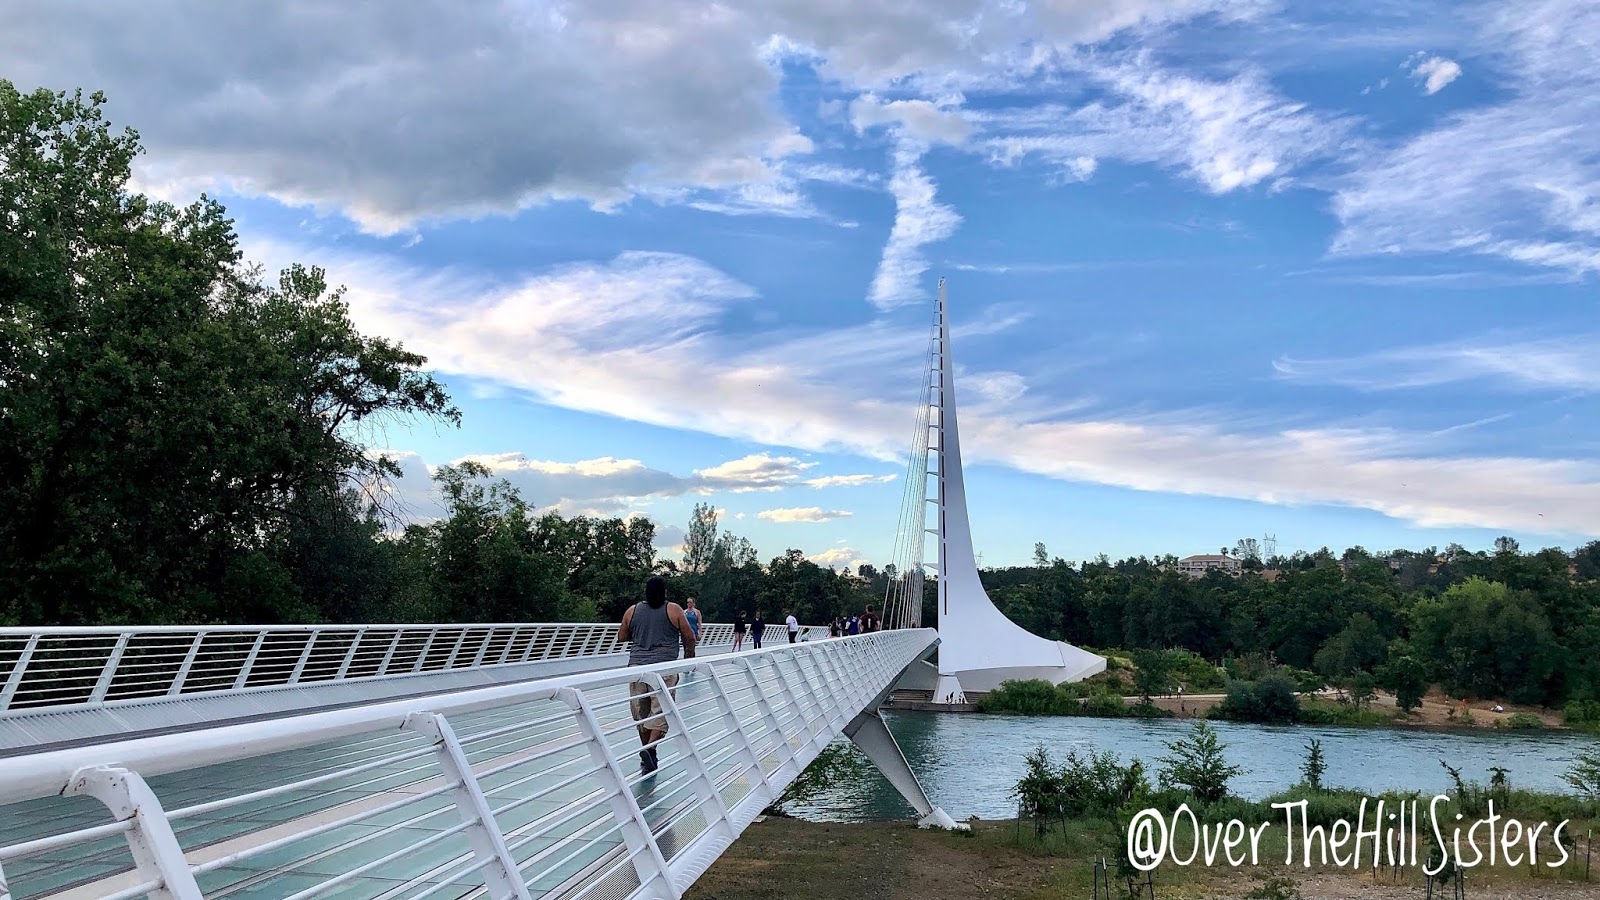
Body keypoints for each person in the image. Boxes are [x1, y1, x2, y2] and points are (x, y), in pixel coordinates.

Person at [618, 575, 696, 775]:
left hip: (636, 669)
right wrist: (689, 657)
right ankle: (650, 750)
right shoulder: (674, 610)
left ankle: (648, 758)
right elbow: (689, 636)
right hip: (664, 669)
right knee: (661, 712)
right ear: (664, 592)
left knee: (641, 715)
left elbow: (622, 636)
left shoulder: (632, 611)